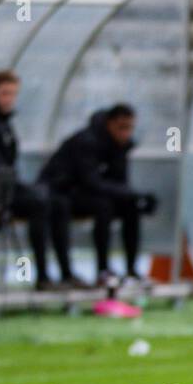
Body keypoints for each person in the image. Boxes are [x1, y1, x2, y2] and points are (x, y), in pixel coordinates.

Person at [0, 70, 83, 290]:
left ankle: (66, 273)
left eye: (13, 94)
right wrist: (23, 190)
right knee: (39, 204)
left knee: (59, 203)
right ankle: (42, 277)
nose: (9, 99)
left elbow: (3, 168)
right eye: (4, 93)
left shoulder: (0, 122)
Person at [40, 104, 158, 287]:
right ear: (109, 124)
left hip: (90, 194)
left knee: (131, 207)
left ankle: (131, 271)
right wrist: (130, 193)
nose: (126, 133)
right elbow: (90, 181)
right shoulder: (86, 141)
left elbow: (119, 182)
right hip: (63, 193)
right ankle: (101, 270)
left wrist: (136, 197)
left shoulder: (121, 146)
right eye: (121, 127)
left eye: (130, 128)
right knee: (104, 206)